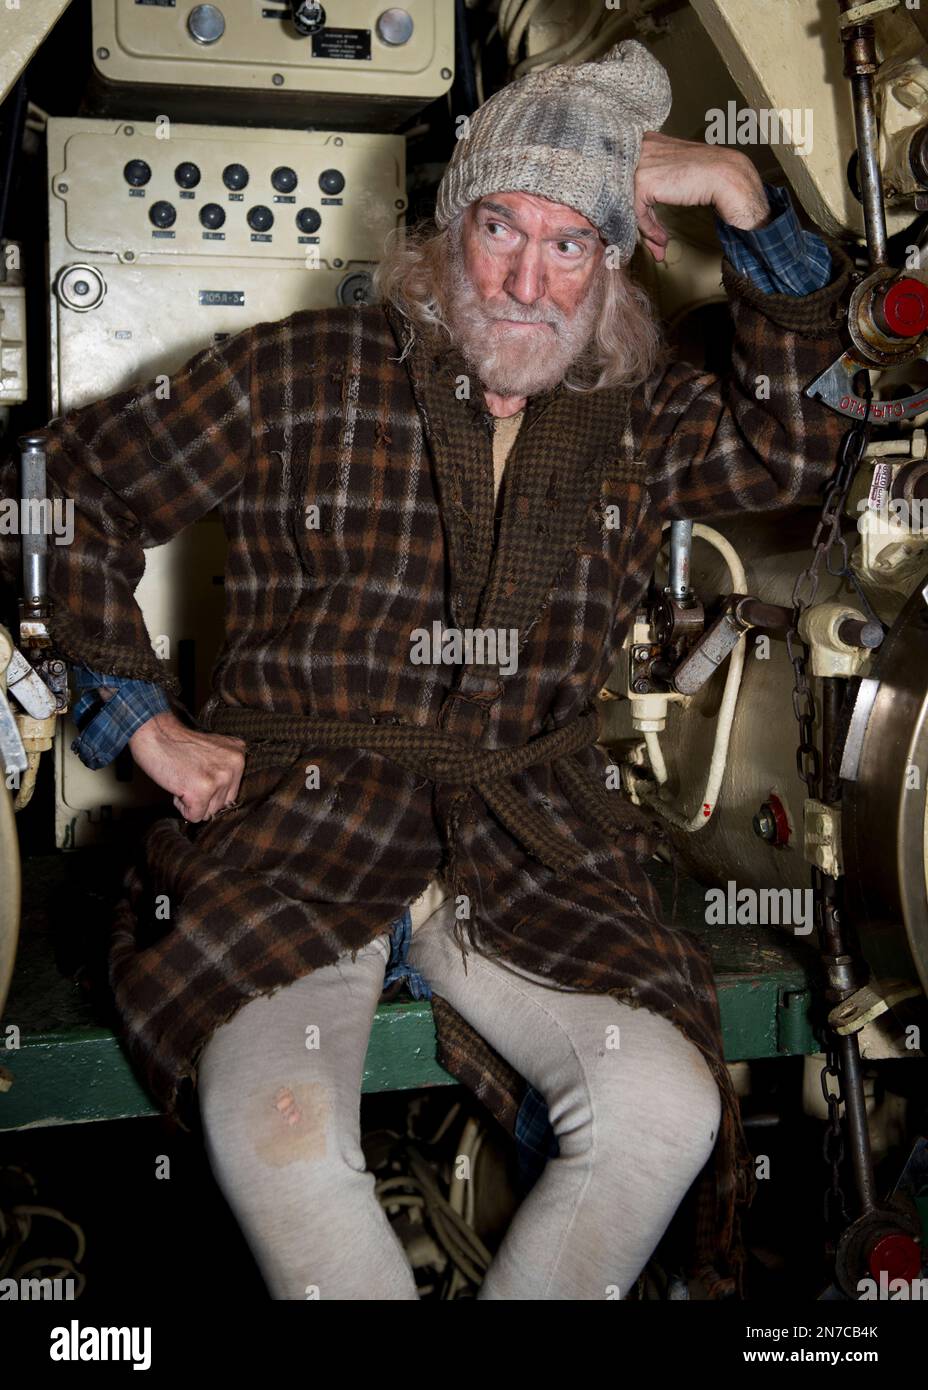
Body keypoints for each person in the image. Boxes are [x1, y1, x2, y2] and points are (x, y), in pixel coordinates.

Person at [0, 39, 855, 1298]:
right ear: (447, 229)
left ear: (616, 262)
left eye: (570, 244)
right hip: (291, 830)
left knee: (662, 1116)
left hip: (532, 835)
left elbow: (806, 443)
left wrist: (748, 194)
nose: (524, 279)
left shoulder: (643, 418)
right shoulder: (301, 371)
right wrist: (136, 717)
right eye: (500, 228)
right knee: (284, 1140)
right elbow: (58, 491)